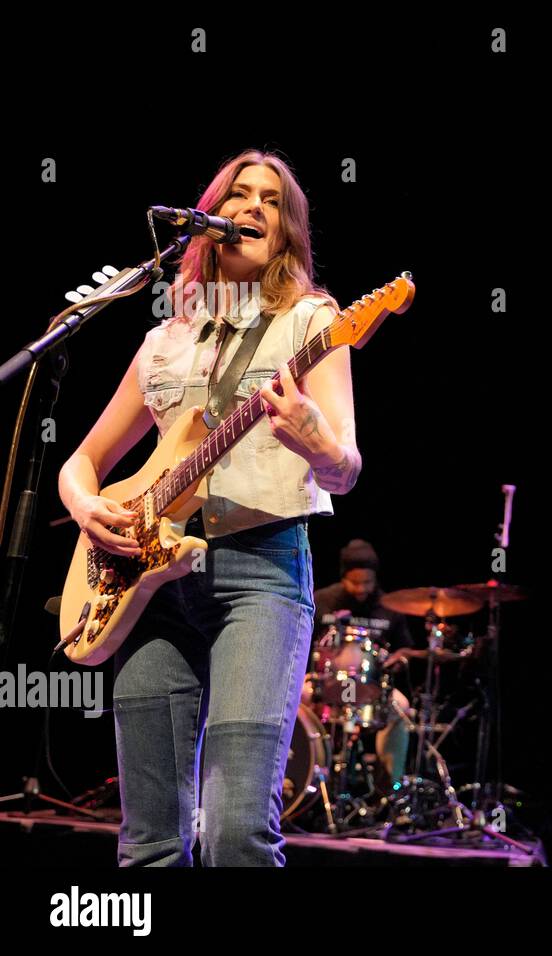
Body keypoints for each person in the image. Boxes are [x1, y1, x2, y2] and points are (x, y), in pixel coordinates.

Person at [58, 149, 362, 866]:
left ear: (287, 232)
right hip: (149, 588)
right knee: (148, 844)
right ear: (208, 223)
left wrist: (317, 441)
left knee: (235, 835)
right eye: (239, 195)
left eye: (272, 201)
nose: (253, 207)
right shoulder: (163, 341)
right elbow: (83, 461)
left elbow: (346, 470)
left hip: (261, 576)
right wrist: (84, 507)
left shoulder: (314, 323)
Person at [304, 539, 413, 783]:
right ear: (344, 577)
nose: (362, 588)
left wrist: (397, 659)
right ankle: (305, 774)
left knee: (401, 706)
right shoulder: (322, 600)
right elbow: (301, 640)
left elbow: (405, 649)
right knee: (297, 697)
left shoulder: (390, 607)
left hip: (370, 688)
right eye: (355, 582)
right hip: (325, 684)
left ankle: (388, 784)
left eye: (367, 582)